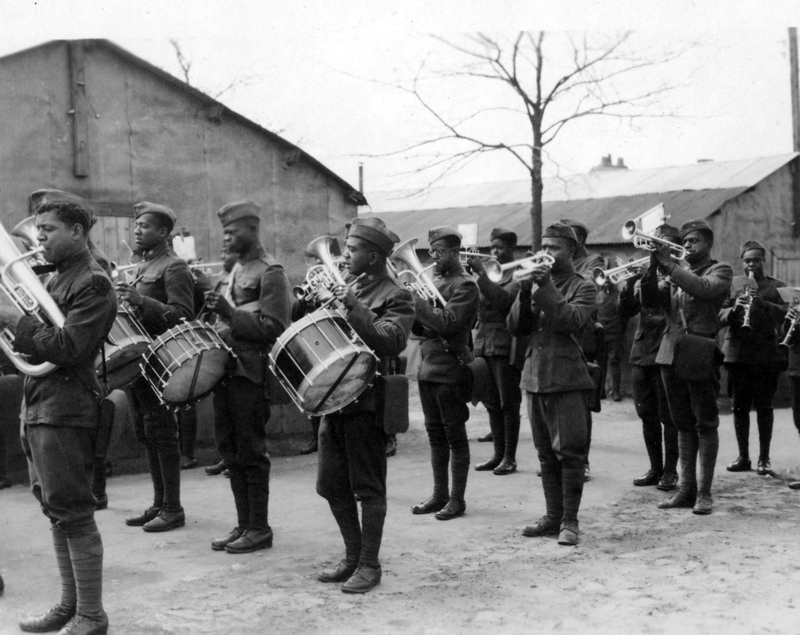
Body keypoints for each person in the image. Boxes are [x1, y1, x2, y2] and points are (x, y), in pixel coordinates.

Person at [0, 197, 117, 635]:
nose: (39, 238)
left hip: (67, 409)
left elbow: (71, 348)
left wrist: (14, 319)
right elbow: (35, 343)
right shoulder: (56, 277)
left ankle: (91, 614)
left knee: (73, 511)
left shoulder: (94, 283)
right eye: (39, 230)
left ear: (77, 233)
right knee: (56, 510)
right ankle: (71, 604)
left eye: (47, 230)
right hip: (40, 403)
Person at [309, 217, 415, 594]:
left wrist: (352, 305)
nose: (345, 255)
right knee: (330, 484)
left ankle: (370, 564)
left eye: (352, 250)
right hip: (332, 400)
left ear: (373, 256)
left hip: (368, 401)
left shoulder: (396, 294)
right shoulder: (346, 286)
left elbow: (391, 341)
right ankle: (353, 556)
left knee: (368, 487)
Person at [203, 200, 290, 554]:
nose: (225, 237)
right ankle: (243, 524)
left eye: (230, 230)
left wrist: (230, 313)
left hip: (250, 373)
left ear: (252, 230)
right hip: (225, 371)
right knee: (230, 450)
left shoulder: (271, 272)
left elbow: (274, 327)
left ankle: (260, 528)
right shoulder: (235, 270)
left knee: (252, 451)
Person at [508, 222, 597, 546]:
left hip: (566, 379)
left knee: (570, 454)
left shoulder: (583, 286)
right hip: (535, 377)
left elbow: (570, 320)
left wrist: (543, 286)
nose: (546, 253)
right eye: (543, 247)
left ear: (571, 251)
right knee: (545, 455)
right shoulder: (534, 283)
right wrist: (522, 291)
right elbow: (517, 329)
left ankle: (570, 521)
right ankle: (552, 517)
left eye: (554, 248)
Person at [640, 219, 732, 515]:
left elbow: (704, 290)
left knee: (705, 422)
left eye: (694, 241)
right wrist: (652, 270)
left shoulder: (720, 270)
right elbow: (650, 303)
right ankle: (685, 489)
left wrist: (669, 266)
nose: (688, 245)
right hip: (669, 351)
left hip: (700, 350)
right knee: (681, 423)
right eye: (685, 241)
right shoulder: (675, 271)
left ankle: (703, 493)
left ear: (708, 244)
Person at [117, 202, 194, 532]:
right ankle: (159, 502)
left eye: (144, 226)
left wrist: (141, 301)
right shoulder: (142, 266)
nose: (137, 230)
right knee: (147, 432)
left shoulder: (174, 267)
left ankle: (173, 508)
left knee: (162, 432)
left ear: (164, 233)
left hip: (162, 360)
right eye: (136, 225)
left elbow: (184, 314)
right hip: (140, 361)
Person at [411, 227, 479, 521]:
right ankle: (439, 494)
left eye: (439, 252)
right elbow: (421, 329)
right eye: (431, 252)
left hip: (450, 370)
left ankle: (456, 500)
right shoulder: (436, 283)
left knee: (454, 436)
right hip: (428, 369)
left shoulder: (465, 286)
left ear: (455, 252)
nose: (433, 258)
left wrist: (420, 304)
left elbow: (450, 322)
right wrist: (418, 308)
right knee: (435, 436)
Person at [617, 225, 682, 490]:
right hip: (642, 351)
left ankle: (670, 471)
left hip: (666, 350)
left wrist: (649, 273)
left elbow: (659, 298)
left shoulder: (679, 275)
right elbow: (626, 310)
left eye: (661, 244)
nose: (655, 248)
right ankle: (655, 468)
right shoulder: (649, 273)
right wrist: (631, 280)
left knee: (668, 416)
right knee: (647, 415)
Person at [719, 240, 787, 476]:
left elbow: (787, 316)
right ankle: (743, 457)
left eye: (756, 260)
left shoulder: (776, 286)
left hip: (765, 356)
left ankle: (764, 458)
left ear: (763, 261)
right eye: (747, 260)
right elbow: (719, 314)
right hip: (738, 355)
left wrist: (763, 304)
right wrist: (735, 309)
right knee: (739, 407)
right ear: (742, 261)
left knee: (764, 407)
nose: (752, 264)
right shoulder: (733, 284)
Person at [467, 227, 522, 475]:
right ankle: (497, 455)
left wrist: (481, 276)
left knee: (508, 403)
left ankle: (509, 458)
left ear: (511, 248)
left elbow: (503, 301)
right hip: (484, 343)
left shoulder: (519, 274)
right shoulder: (490, 273)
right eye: (492, 247)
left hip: (504, 344)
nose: (494, 252)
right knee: (491, 402)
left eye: (499, 247)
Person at [560, 218, 605, 481]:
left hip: (583, 336)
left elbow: (585, 285)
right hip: (558, 334)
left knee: (581, 404)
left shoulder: (593, 261)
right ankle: (558, 459)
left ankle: (582, 462)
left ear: (580, 242)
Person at [597, 278, 625, 401]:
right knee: (601, 363)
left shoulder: (618, 296)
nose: (607, 283)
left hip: (615, 334)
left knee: (615, 362)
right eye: (605, 281)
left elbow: (624, 316)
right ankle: (601, 391)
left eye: (609, 281)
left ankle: (616, 392)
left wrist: (619, 330)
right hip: (601, 334)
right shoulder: (598, 295)